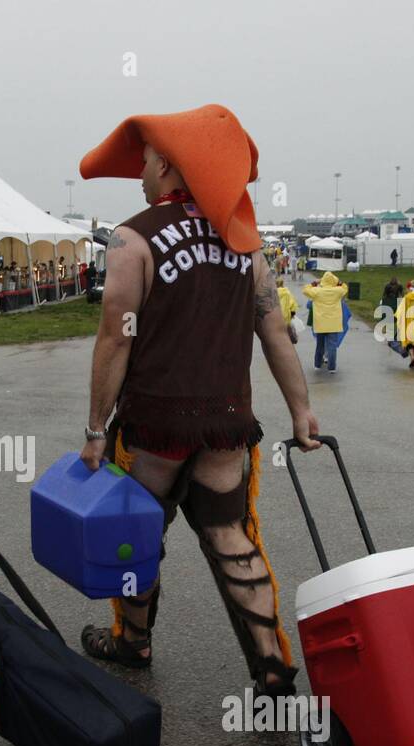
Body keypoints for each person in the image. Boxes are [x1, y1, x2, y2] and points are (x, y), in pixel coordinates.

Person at [75, 104, 321, 697]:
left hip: (155, 424)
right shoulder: (244, 240)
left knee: (133, 535)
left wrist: (93, 427)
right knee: (231, 535)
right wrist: (301, 411)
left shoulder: (133, 237)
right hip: (226, 422)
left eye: (146, 160)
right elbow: (275, 332)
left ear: (166, 164)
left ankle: (134, 642)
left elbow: (115, 336)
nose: (139, 171)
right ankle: (269, 662)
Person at [301, 272, 347, 373]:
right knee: (332, 346)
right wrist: (338, 282)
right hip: (334, 323)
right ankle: (332, 367)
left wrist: (314, 282)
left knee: (320, 345)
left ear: (323, 281)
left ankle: (317, 365)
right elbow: (345, 287)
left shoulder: (317, 291)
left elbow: (305, 290)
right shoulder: (338, 291)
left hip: (320, 323)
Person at [275, 276, 298, 344]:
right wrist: (292, 315)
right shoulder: (287, 293)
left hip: (275, 318)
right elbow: (293, 306)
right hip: (286, 318)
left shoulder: (272, 293)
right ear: (283, 284)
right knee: (287, 335)